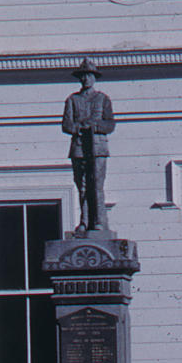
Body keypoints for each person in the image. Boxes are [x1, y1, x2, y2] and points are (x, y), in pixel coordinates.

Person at [62, 58, 116, 232]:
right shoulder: (72, 100)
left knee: (97, 185)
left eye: (89, 75)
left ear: (94, 78)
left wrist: (95, 127)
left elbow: (110, 124)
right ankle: (84, 221)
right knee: (82, 186)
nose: (86, 79)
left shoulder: (103, 99)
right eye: (83, 76)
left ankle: (99, 221)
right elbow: (66, 125)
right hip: (79, 147)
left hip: (98, 147)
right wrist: (80, 127)